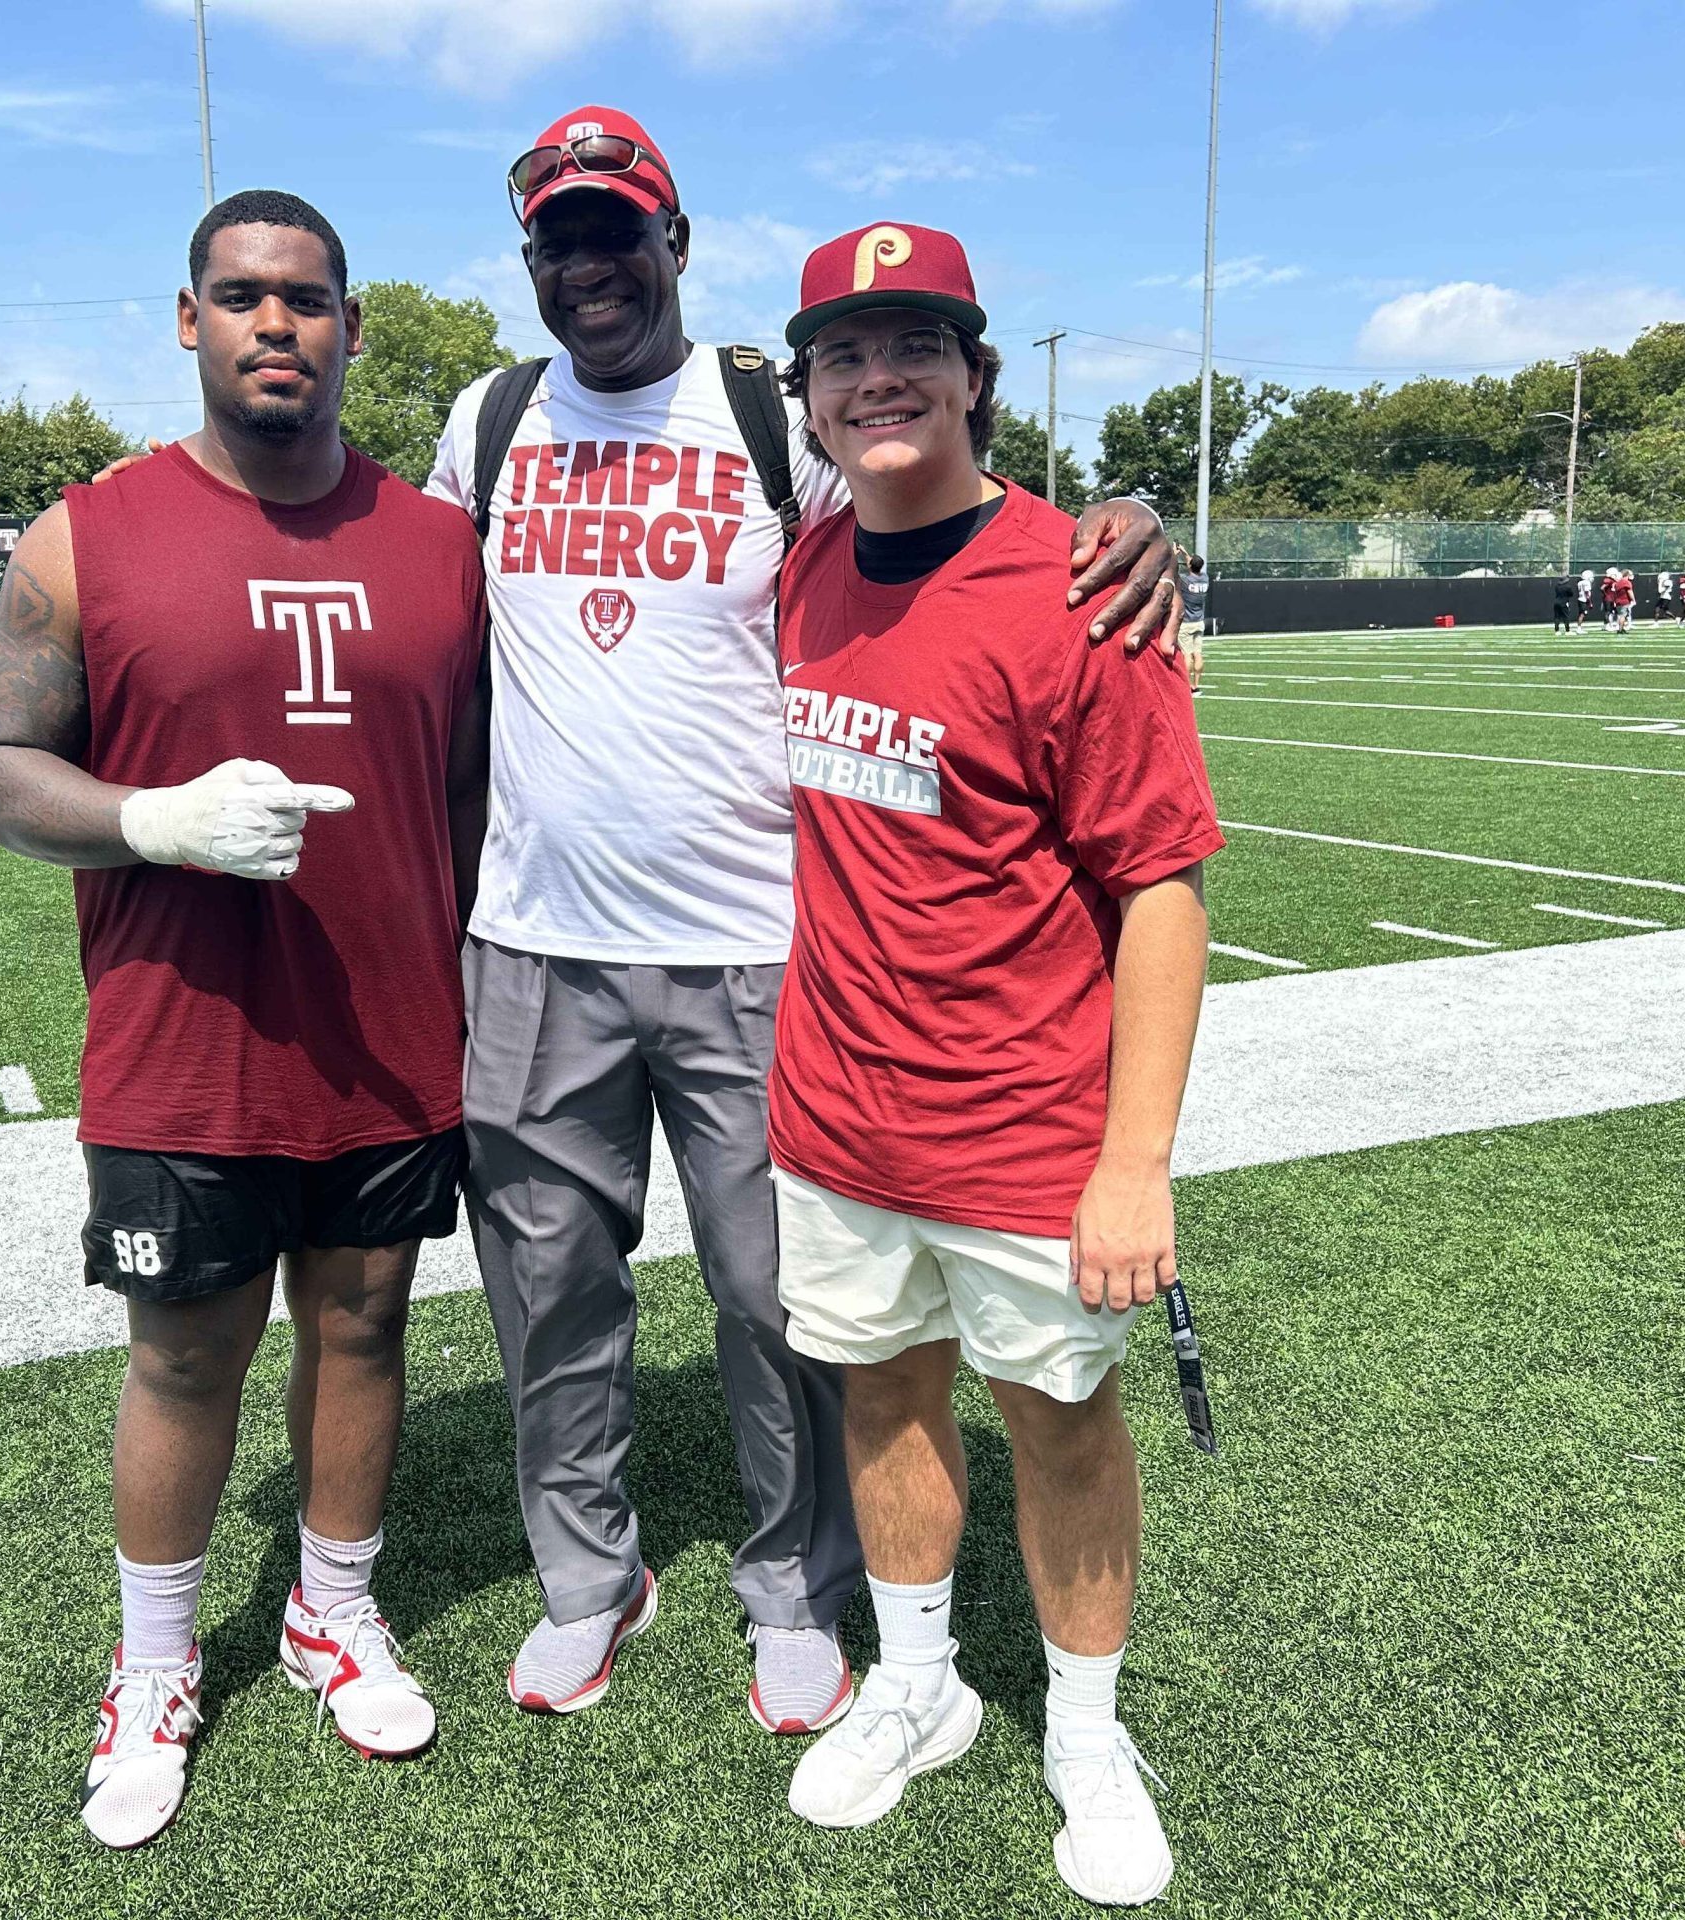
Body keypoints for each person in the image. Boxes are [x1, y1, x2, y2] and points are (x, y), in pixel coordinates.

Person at [423, 106, 1187, 1732]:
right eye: (560, 239)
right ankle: (586, 1575)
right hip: (535, 942)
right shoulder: (483, 424)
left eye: (618, 231)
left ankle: (794, 1585)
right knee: (548, 1295)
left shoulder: (772, 419)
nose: (592, 264)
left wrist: (1120, 515)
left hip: (762, 948)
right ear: (534, 265)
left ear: (673, 243)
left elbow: (941, 525)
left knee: (784, 1303)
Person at [0, 189, 489, 1849]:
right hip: (181, 1037)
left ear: (350, 326)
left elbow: (470, 789)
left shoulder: (437, 540)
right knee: (185, 1351)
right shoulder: (86, 533)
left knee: (369, 1324)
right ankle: (157, 1661)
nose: (280, 324)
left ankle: (334, 1610)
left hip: (394, 1030)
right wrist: (150, 818)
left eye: (311, 300)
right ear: (188, 319)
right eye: (245, 297)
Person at [766, 224, 1220, 1906]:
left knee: (1063, 1417)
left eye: (913, 346)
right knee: (880, 1395)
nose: (878, 378)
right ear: (809, 394)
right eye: (842, 354)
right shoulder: (807, 561)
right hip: (834, 1111)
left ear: (974, 373)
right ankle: (919, 1683)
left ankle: (1088, 1730)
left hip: (1031, 1126)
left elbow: (1163, 889)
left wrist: (1135, 1161)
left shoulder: (1079, 589)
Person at [1179, 554, 1208, 686]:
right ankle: (1196, 685)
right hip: (1199, 622)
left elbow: (1172, 570)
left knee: (1187, 655)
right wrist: (1185, 553)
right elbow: (1193, 564)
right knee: (1198, 653)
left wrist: (1174, 554)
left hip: (1186, 622)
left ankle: (1186, 684)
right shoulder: (1205, 578)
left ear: (1190, 566)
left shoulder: (1185, 580)